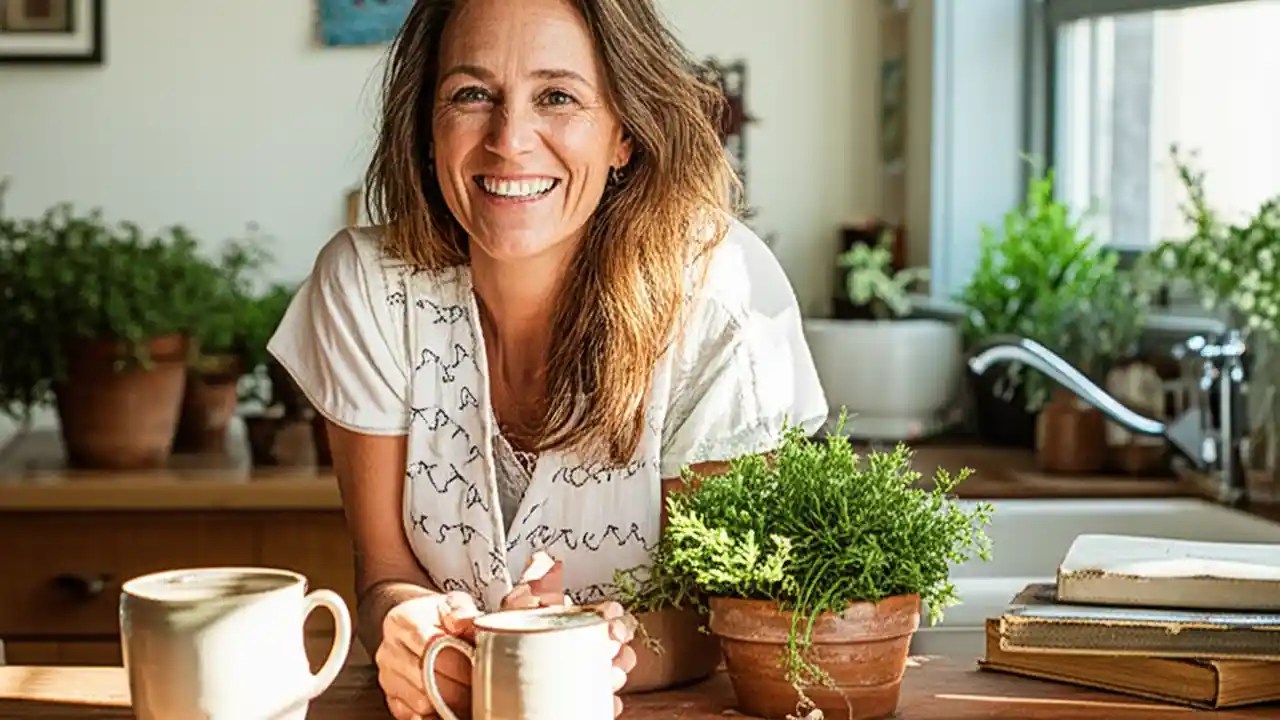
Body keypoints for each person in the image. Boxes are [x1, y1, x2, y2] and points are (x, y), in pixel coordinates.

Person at [267, 0, 828, 717]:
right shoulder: (367, 287)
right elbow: (383, 573)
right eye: (472, 94)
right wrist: (409, 627)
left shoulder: (723, 295)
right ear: (427, 128)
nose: (509, 140)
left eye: (557, 96)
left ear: (625, 131)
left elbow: (723, 613)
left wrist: (580, 655)